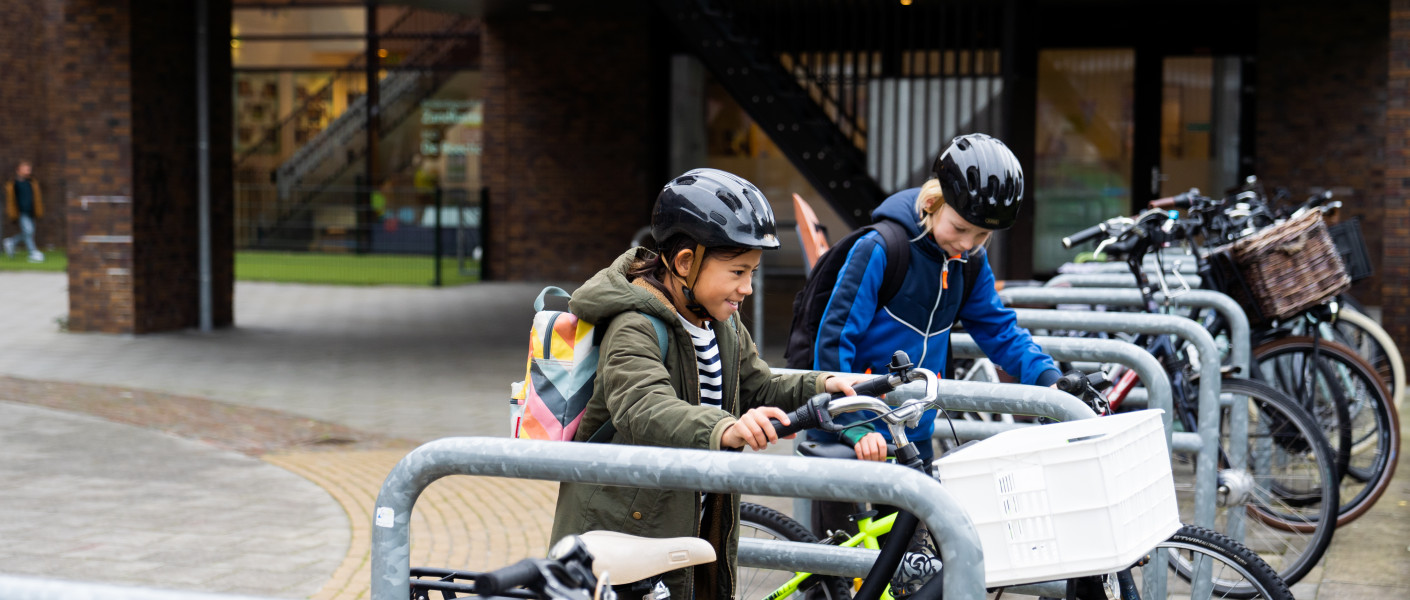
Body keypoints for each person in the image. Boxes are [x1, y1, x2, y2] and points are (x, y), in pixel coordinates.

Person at [549, 167, 869, 600]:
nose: (748, 288)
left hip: (685, 518)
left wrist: (823, 384)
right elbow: (643, 407)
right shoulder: (635, 325)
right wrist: (724, 428)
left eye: (753, 273)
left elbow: (758, 384)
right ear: (685, 263)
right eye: (738, 272)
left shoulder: (721, 322)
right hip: (625, 530)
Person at [805, 133, 1063, 535]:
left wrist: (1049, 379)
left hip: (913, 431)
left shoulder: (970, 262)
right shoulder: (881, 249)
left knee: (912, 562)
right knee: (839, 567)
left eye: (982, 236)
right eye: (960, 228)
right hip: (852, 429)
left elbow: (999, 331)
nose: (967, 244)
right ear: (930, 204)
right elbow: (835, 339)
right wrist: (852, 424)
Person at [3, 160, 44, 262]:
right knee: (28, 232)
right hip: (22, 212)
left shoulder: (31, 182)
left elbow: (36, 198)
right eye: (25, 169)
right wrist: (12, 212)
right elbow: (11, 200)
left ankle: (11, 242)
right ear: (18, 170)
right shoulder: (13, 184)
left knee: (29, 232)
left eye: (29, 169)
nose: (28, 171)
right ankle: (33, 253)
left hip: (32, 211)